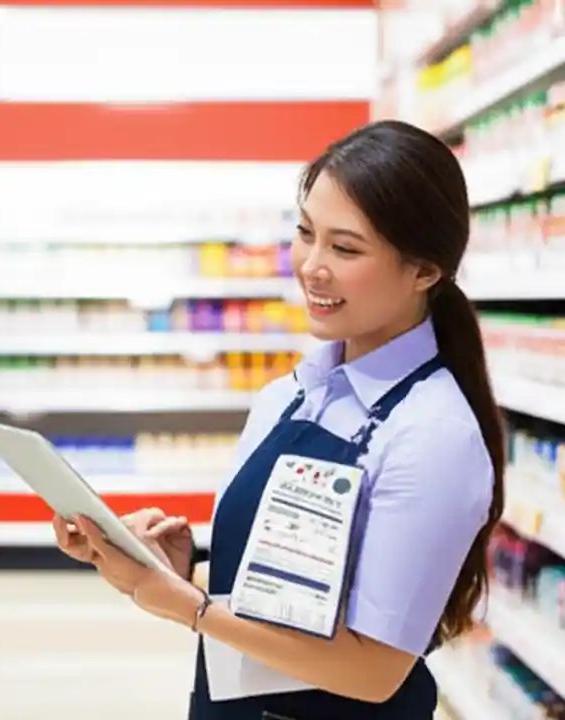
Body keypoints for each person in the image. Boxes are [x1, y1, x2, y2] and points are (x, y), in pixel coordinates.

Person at [53, 119, 505, 720]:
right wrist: (177, 570)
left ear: (424, 271)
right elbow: (298, 590)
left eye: (345, 249)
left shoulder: (432, 436)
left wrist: (191, 608)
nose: (312, 267)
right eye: (306, 233)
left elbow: (374, 670)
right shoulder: (291, 393)